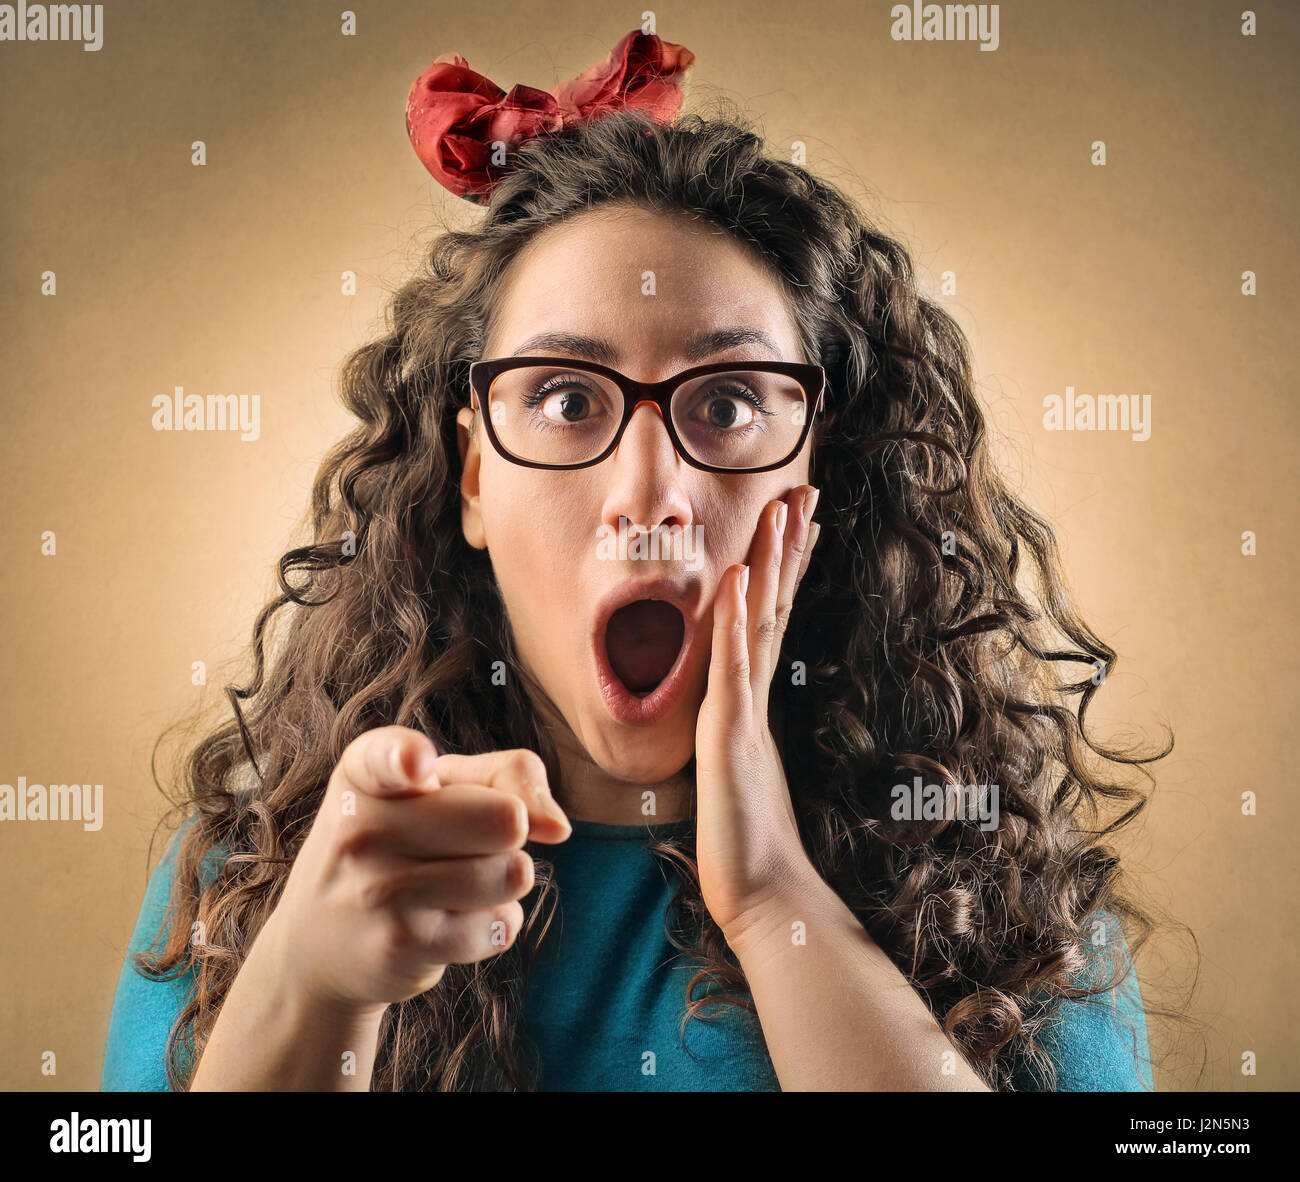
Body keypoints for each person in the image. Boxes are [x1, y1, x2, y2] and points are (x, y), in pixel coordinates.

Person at [102, 29, 1164, 1092]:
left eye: (728, 402)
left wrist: (773, 900)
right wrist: (309, 987)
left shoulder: (1000, 889)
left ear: (823, 471)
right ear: (472, 477)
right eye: (566, 401)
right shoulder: (256, 866)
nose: (648, 497)